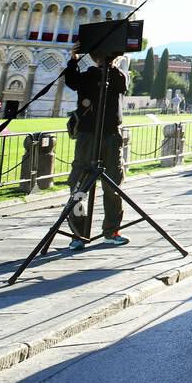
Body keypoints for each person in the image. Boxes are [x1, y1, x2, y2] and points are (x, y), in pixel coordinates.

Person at [63, 44, 131, 249]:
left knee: (111, 186)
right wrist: (74, 58)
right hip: (92, 136)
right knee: (81, 186)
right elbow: (71, 80)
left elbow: (121, 84)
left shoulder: (117, 76)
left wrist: (78, 59)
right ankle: (80, 234)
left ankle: (107, 231)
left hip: (106, 136)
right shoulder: (89, 76)